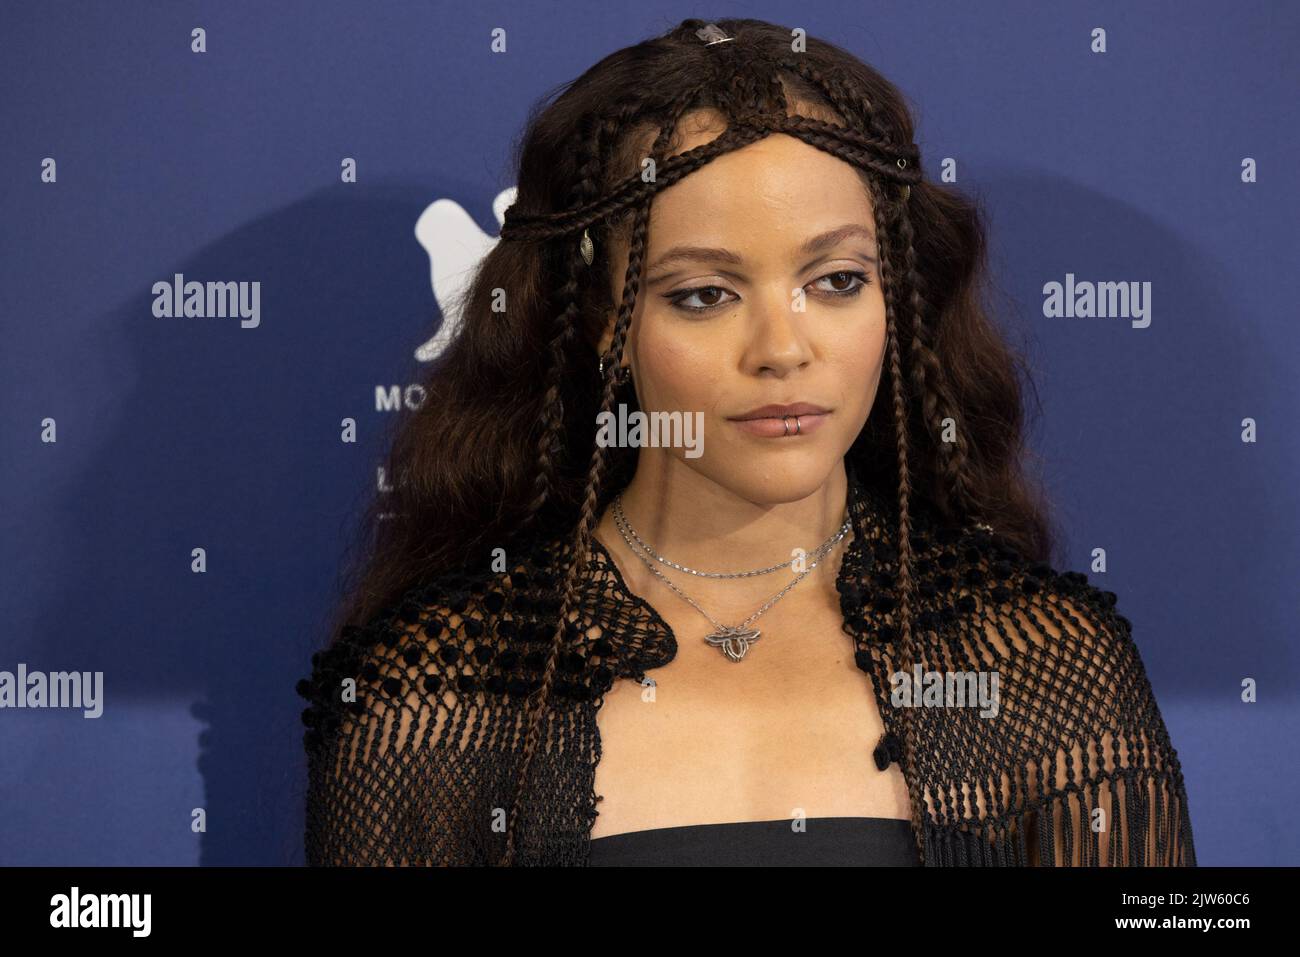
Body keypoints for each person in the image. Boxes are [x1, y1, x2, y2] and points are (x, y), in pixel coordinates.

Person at [297, 17, 1196, 867]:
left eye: (837, 280)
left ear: (895, 296)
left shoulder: (1040, 661)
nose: (782, 349)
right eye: (704, 295)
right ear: (605, 319)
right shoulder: (437, 691)